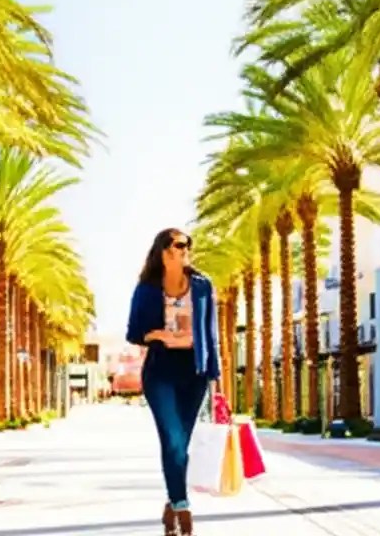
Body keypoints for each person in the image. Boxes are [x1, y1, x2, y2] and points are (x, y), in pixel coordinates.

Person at [125, 228, 221, 536]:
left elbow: (211, 335)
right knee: (173, 441)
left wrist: (215, 379)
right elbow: (134, 331)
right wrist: (160, 335)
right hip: (160, 372)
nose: (181, 251)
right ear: (162, 253)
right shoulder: (147, 289)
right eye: (174, 247)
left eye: (185, 247)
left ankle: (171, 502)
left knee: (183, 444)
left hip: (195, 372)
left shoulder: (203, 286)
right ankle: (182, 506)